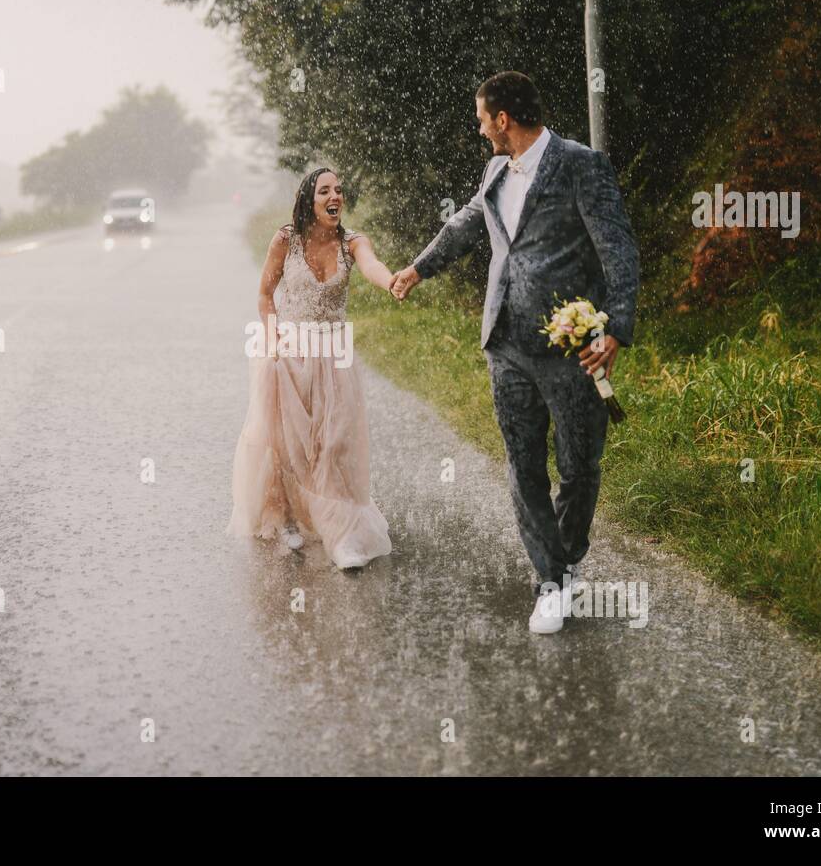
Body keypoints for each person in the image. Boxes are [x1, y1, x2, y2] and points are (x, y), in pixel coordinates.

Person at [391, 71, 640, 633]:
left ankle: (569, 556)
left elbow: (619, 249)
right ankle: (549, 580)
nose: (481, 130)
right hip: (505, 343)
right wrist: (418, 267)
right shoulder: (495, 170)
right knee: (523, 464)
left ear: (504, 119)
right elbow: (467, 224)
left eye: (483, 119)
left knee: (579, 466)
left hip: (570, 348)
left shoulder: (580, 165)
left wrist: (616, 330)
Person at [227, 167, 396, 570]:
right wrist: (273, 340)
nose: (334, 196)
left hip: (335, 356)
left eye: (339, 190)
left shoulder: (353, 242)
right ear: (309, 199)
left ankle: (343, 535)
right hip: (289, 352)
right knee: (286, 444)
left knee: (333, 442)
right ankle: (285, 518)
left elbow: (372, 265)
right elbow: (265, 295)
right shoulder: (286, 240)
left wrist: (391, 281)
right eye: (324, 191)